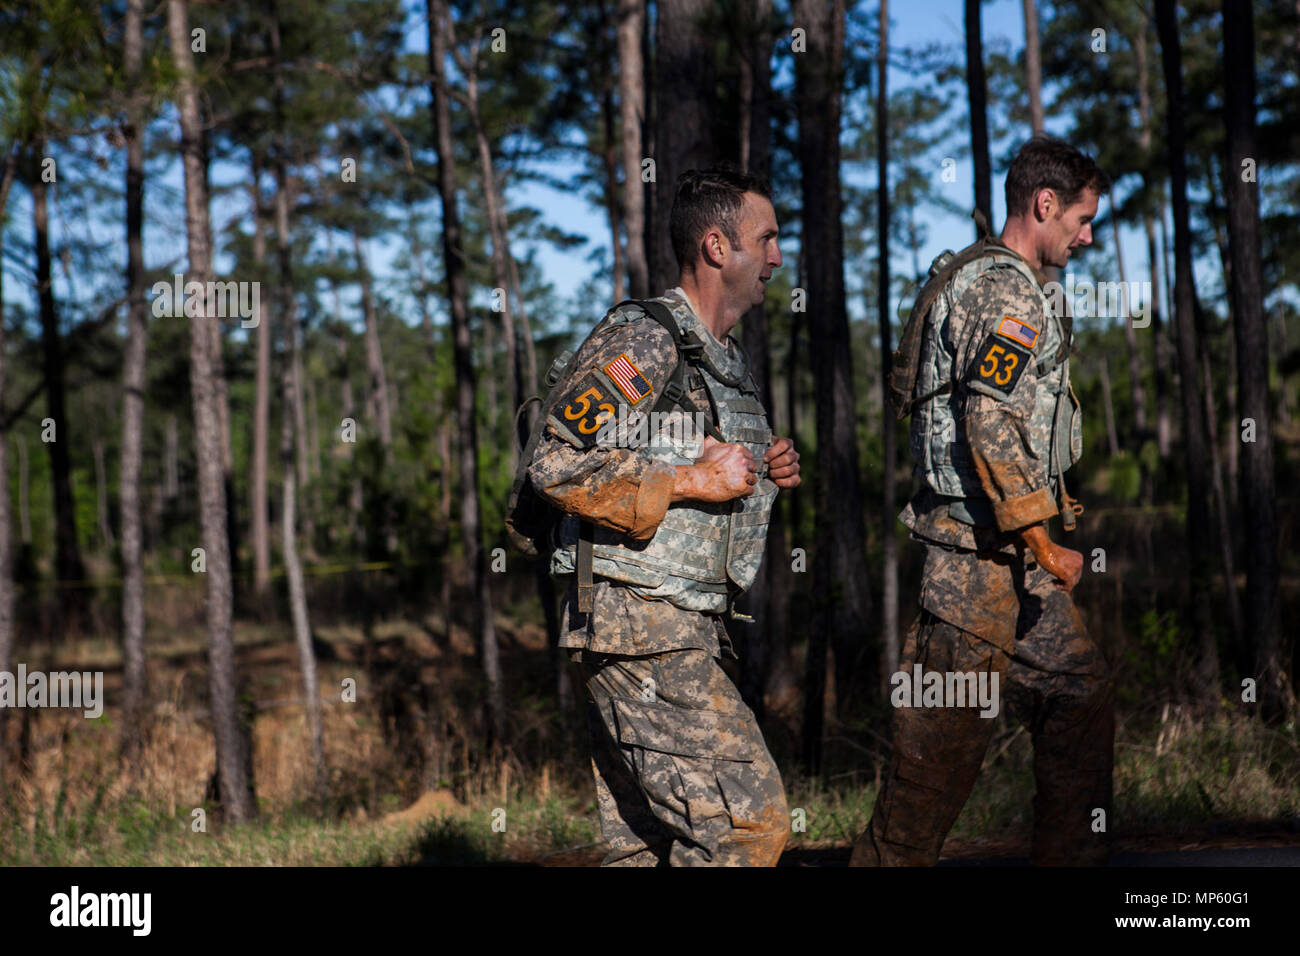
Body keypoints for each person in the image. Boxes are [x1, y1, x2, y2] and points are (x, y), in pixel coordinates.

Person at [852, 136, 1115, 867]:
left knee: (1080, 698)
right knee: (931, 776)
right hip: (974, 564)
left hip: (1013, 563)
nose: (1087, 236)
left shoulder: (1004, 283)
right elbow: (990, 422)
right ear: (1045, 204)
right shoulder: (1002, 291)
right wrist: (1043, 540)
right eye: (1083, 219)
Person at [527, 166, 800, 867]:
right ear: (717, 247)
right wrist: (691, 479)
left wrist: (762, 474)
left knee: (645, 849)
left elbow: (691, 464)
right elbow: (555, 463)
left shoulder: (721, 359)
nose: (777, 257)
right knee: (750, 824)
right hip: (637, 625)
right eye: (766, 239)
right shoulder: (644, 340)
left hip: (675, 623)